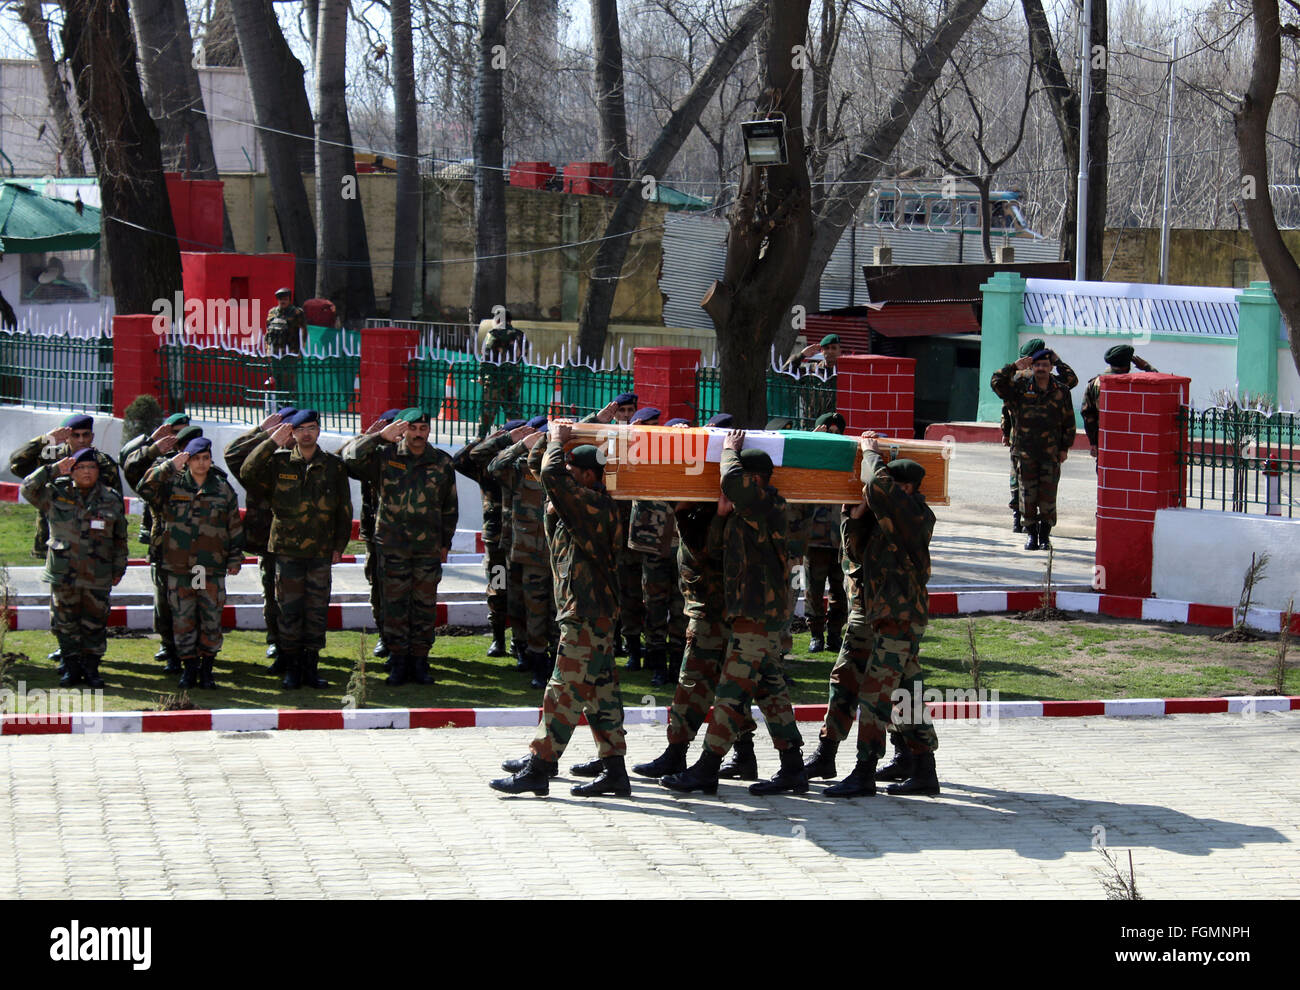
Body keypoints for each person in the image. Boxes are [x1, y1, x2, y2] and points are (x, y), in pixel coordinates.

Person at [661, 433, 807, 796]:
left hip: (757, 617)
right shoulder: (747, 513)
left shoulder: (768, 505)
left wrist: (729, 449)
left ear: (754, 480)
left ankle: (707, 768)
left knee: (731, 693)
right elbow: (711, 550)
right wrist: (718, 516)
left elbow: (729, 479)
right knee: (770, 689)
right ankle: (793, 769)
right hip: (745, 615)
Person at [491, 423, 629, 798]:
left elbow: (551, 473)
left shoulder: (594, 504)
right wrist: (549, 441)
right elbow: (544, 470)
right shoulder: (583, 499)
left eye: (573, 471)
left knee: (563, 689)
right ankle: (615, 770)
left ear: (587, 475)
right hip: (588, 609)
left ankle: (540, 766)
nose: (565, 477)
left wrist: (556, 441)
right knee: (601, 691)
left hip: (586, 611)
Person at [805, 434, 940, 797]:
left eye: (893, 485)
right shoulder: (884, 518)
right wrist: (855, 515)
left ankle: (865, 770)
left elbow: (879, 484)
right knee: (852, 679)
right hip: (870, 612)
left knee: (877, 693)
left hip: (899, 618)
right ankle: (829, 752)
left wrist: (870, 453)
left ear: (907, 488)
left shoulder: (916, 515)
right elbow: (853, 555)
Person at [343, 408, 458, 686]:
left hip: (427, 548)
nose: (418, 434)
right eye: (413, 428)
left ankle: (420, 661)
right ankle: (397, 660)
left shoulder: (441, 462)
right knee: (394, 605)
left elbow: (449, 507)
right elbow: (349, 458)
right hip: (392, 546)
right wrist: (378, 437)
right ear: (403, 429)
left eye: (423, 428)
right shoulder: (385, 456)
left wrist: (445, 543)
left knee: (424, 606)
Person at [239, 409, 353, 689]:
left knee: (315, 612)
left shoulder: (333, 466)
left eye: (312, 428)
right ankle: (291, 668)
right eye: (300, 429)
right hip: (287, 552)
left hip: (319, 552)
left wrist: (339, 546)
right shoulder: (278, 463)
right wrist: (270, 442)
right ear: (292, 433)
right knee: (288, 612)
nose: (306, 433)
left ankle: (311, 668)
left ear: (319, 430)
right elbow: (247, 471)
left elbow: (344, 509)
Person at [137, 438, 244, 690]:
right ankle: (188, 669)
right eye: (196, 458)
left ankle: (207, 670)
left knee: (210, 618)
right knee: (183, 618)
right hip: (180, 566)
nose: (201, 463)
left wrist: (235, 557)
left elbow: (234, 527)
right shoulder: (171, 484)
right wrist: (170, 466)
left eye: (206, 458)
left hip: (210, 567)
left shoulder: (222, 488)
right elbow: (144, 488)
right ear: (187, 460)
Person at [632, 499, 728, 778]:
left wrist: (685, 507)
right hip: (716, 616)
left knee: (696, 686)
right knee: (734, 688)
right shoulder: (706, 516)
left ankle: (682, 756)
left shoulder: (704, 520)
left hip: (713, 617)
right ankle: (753, 758)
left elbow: (698, 541)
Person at [21, 448, 127, 689]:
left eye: (91, 468)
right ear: (72, 471)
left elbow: (120, 538)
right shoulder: (55, 493)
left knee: (95, 620)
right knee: (64, 621)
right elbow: (27, 488)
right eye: (81, 468)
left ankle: (91, 669)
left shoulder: (110, 497)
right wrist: (53, 469)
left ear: (98, 471)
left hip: (97, 572)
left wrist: (119, 567)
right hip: (64, 571)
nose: (87, 472)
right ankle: (70, 668)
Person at [123, 421, 206, 673]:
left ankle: (197, 651)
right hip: (164, 550)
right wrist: (151, 445)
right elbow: (130, 469)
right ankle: (170, 648)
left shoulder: (207, 472)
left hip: (200, 555)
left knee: (199, 603)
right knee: (165, 603)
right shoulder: (161, 469)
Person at [487, 418, 558, 688]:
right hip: (529, 555)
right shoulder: (519, 468)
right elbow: (493, 466)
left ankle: (557, 663)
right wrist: (518, 446)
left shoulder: (564, 468)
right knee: (534, 611)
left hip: (560, 554)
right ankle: (536, 663)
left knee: (558, 612)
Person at [225, 407, 297, 671]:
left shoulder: (310, 459)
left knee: (301, 598)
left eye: (294, 428)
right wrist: (262, 434)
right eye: (285, 428)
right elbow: (233, 455)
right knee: (272, 593)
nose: (289, 435)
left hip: (302, 542)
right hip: (268, 539)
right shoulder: (261, 462)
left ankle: (299, 648)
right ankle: (276, 641)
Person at [453, 420, 527, 659]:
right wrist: (495, 439)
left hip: (522, 539)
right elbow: (461, 460)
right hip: (496, 540)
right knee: (498, 588)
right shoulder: (486, 467)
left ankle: (519, 641)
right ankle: (498, 638)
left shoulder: (523, 465)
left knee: (520, 591)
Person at [991, 349, 1076, 551]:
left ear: (1050, 368)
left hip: (1051, 453)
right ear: (1032, 367)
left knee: (1048, 497)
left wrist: (1064, 448)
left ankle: (1045, 535)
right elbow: (996, 382)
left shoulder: (1061, 390)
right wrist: (1014, 367)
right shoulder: (1020, 387)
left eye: (1045, 365)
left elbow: (1068, 421)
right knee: (1027, 496)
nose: (1041, 369)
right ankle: (1031, 535)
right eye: (1037, 365)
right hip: (1025, 453)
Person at [9, 413, 121, 560]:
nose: (81, 440)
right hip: (53, 541)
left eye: (85, 435)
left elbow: (117, 506)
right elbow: (17, 461)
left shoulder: (105, 463)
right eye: (76, 435)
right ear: (66, 438)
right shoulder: (51, 458)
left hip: (93, 543)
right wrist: (46, 440)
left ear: (92, 437)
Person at [583, 394, 642, 665]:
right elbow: (577, 436)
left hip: (633, 532)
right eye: (622, 411)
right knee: (609, 589)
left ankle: (633, 646)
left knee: (632, 592)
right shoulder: (601, 438)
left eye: (631, 410)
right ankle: (612, 641)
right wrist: (599, 420)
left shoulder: (644, 439)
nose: (626, 415)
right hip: (607, 529)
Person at [339, 408, 402, 660]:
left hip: (405, 537)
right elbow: (346, 458)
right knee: (378, 587)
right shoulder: (371, 455)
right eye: (392, 427)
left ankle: (403, 643)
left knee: (404, 591)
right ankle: (384, 637)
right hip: (376, 535)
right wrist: (372, 437)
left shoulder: (412, 456)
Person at [805, 412, 849, 654]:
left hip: (841, 539)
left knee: (840, 590)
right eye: (827, 432)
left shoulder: (847, 457)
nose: (833, 437)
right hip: (814, 537)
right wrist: (812, 441)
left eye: (836, 433)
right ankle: (815, 635)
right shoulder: (811, 458)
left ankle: (834, 635)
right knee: (812, 589)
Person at [1082, 344, 1157, 460]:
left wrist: (1093, 443)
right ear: (1127, 365)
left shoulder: (1095, 383)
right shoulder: (1133, 383)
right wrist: (1147, 367)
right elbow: (1158, 387)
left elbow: (1088, 415)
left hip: (1105, 441)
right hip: (1131, 442)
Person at [477, 310, 527, 438]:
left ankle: (481, 437)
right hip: (513, 377)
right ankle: (518, 437)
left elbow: (486, 355)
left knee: (488, 410)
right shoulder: (520, 335)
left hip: (495, 378)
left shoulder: (494, 334)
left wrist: (481, 375)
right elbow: (524, 354)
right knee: (512, 410)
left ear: (498, 320)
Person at [264, 288, 306, 405]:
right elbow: (268, 332)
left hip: (290, 351)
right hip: (275, 352)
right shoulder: (272, 312)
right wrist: (268, 349)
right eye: (281, 299)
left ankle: (289, 405)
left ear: (289, 299)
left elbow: (303, 331)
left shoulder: (297, 313)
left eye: (285, 299)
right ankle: (279, 405)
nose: (283, 301)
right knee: (277, 379)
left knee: (289, 381)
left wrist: (300, 350)